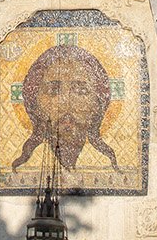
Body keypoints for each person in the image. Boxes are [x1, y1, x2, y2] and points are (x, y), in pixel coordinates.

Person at [12, 42, 120, 171]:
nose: (66, 103)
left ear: (98, 104)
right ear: (35, 104)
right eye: (52, 90)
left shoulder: (107, 166)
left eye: (81, 91)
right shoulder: (22, 169)